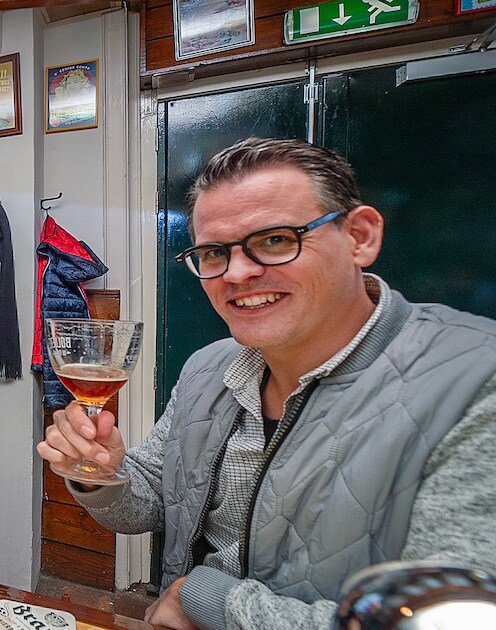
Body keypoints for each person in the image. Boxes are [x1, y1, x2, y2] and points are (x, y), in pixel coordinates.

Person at [37, 138, 496, 630]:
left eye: (276, 240)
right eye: (213, 253)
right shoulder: (208, 368)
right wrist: (98, 471)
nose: (238, 272)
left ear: (360, 236)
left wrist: (205, 597)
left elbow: (450, 622)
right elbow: (148, 503)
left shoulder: (475, 382)